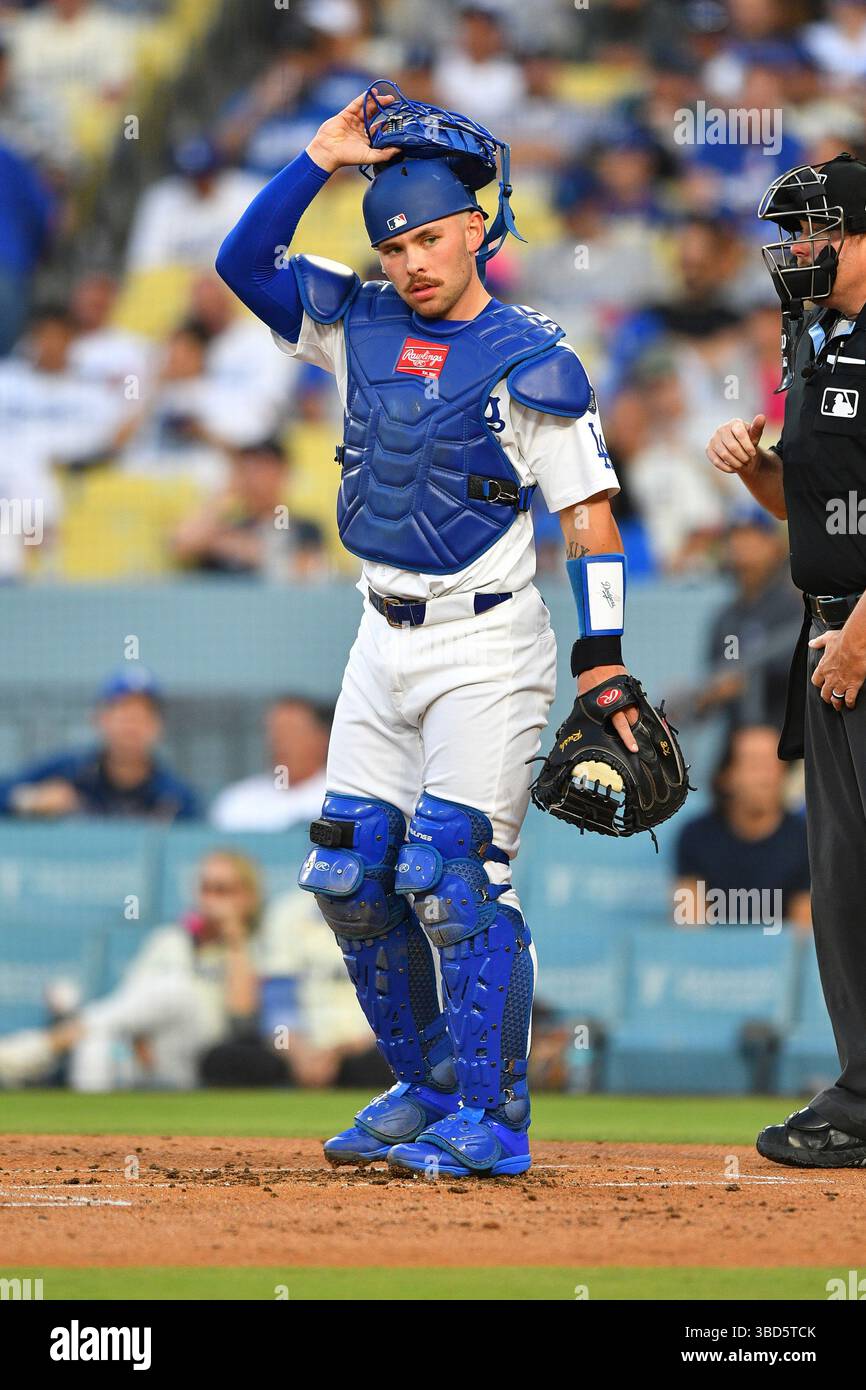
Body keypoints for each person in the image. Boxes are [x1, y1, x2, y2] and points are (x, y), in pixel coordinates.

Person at [217, 82, 643, 1178]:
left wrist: (601, 658)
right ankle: (426, 1085)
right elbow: (240, 265)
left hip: (485, 643)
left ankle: (497, 1124)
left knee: (453, 879)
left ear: (476, 229)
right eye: (392, 241)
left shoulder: (531, 357)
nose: (409, 259)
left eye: (428, 236)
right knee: (351, 874)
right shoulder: (353, 322)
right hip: (379, 636)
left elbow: (588, 519)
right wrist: (316, 161)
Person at [706, 152, 866, 1166]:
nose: (796, 252)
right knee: (842, 880)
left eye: (815, 233)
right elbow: (809, 516)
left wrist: (861, 632)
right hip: (828, 628)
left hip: (856, 634)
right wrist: (758, 469)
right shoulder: (809, 335)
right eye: (791, 233)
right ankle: (858, 1098)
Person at [0, 851, 267, 1091]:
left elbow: (240, 1019)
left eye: (223, 890)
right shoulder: (171, 938)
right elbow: (130, 1001)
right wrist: (138, 1038)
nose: (211, 899)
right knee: (99, 1039)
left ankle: (38, 1049)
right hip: (148, 1052)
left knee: (177, 988)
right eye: (205, 888)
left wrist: (235, 939)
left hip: (204, 1059)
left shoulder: (253, 946)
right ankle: (87, 1136)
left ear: (248, 896)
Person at [0, 666, 199, 821]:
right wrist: (32, 800)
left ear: (158, 726)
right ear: (100, 719)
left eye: (142, 716)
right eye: (123, 714)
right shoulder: (69, 770)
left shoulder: (176, 798)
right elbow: (6, 791)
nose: (132, 726)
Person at [674, 725, 811, 929]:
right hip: (712, 957)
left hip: (778, 958)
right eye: (755, 765)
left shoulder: (806, 839)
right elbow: (690, 927)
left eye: (775, 766)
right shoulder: (695, 835)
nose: (766, 778)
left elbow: (803, 939)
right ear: (727, 776)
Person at [171, 439, 326, 579]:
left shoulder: (304, 527)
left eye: (261, 469)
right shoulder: (230, 526)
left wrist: (230, 545)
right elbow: (180, 544)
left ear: (282, 473)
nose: (253, 479)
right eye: (246, 470)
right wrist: (222, 498)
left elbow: (307, 570)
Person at [210, 695, 331, 832]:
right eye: (275, 732)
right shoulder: (237, 801)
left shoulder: (340, 799)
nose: (280, 742)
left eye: (292, 732)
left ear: (322, 739)